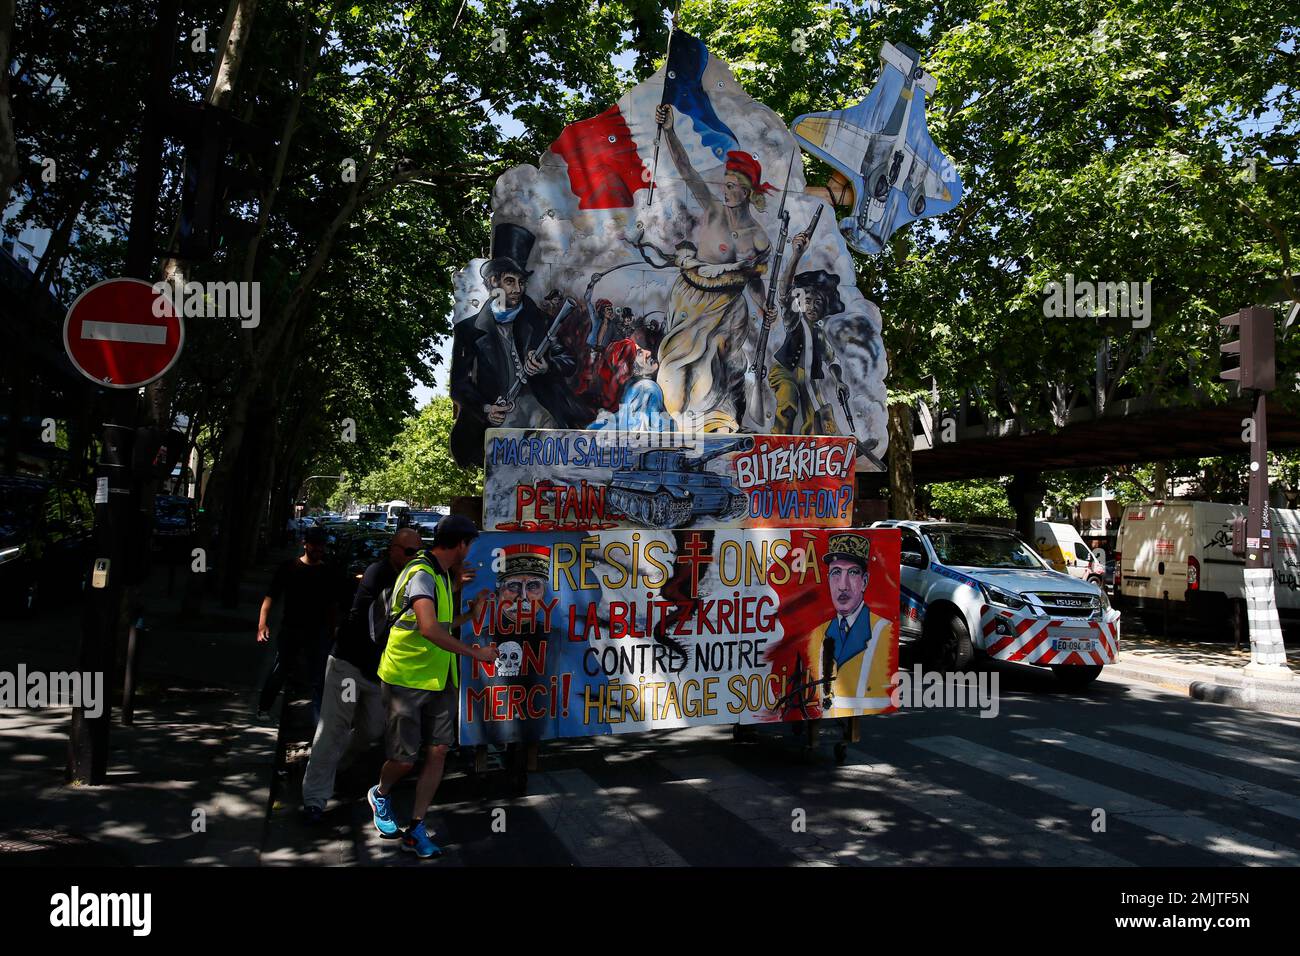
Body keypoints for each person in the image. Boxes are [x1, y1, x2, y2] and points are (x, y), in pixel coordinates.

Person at [367, 515, 497, 859]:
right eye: (471, 545)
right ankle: (381, 793)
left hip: (440, 678)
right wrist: (475, 652)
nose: (471, 553)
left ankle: (416, 827)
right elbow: (427, 629)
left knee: (438, 751)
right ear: (461, 544)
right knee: (404, 759)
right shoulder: (422, 574)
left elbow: (442, 624)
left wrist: (469, 616)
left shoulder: (440, 575)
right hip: (405, 679)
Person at [652, 102, 773, 433]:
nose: (728, 191)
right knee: (675, 366)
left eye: (735, 186)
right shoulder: (714, 211)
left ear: (749, 192)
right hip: (692, 299)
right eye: (727, 184)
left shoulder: (757, 237)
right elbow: (686, 169)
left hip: (728, 307)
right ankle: (676, 422)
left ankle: (716, 425)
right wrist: (669, 130)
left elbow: (754, 280)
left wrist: (764, 307)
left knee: (714, 367)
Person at [299, 527, 424, 823]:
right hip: (349, 668)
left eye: (417, 553)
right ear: (393, 549)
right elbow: (396, 607)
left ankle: (337, 766)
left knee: (372, 731)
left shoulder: (417, 579)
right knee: (333, 728)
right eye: (408, 552)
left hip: (377, 674)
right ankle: (315, 798)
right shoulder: (378, 573)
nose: (413, 558)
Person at [448, 223, 585, 467]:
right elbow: (460, 385)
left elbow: (569, 362)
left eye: (521, 282)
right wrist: (486, 408)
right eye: (510, 282)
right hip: (496, 422)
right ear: (492, 283)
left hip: (541, 414)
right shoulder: (468, 330)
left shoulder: (539, 320)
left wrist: (546, 367)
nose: (518, 290)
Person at [257, 526, 341, 723]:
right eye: (315, 545)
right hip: (292, 628)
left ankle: (319, 719)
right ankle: (263, 706)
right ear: (306, 544)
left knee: (318, 677)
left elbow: (333, 604)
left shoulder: (328, 571)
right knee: (280, 670)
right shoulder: (289, 567)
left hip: (318, 631)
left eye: (322, 546)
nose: (319, 549)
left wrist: (334, 628)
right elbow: (271, 596)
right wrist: (262, 624)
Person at [804, 533, 894, 718]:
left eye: (852, 572)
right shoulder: (816, 635)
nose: (843, 586)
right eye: (836, 572)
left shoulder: (885, 631)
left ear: (865, 581)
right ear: (828, 578)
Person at [764, 263, 851, 436]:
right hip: (785, 371)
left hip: (810, 378)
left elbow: (831, 359)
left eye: (817, 302)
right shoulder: (794, 320)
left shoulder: (819, 334)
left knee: (820, 414)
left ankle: (829, 447)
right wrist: (796, 256)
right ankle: (777, 441)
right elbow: (784, 293)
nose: (812, 307)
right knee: (788, 401)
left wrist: (839, 380)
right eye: (808, 301)